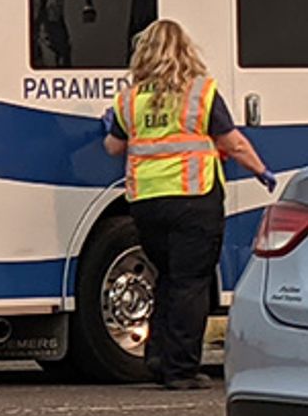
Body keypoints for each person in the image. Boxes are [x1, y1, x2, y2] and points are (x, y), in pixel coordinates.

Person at [102, 21, 275, 389]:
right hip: (194, 199)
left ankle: (158, 359)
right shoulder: (200, 93)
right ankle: (180, 370)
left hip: (147, 203)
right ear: (185, 51)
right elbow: (234, 143)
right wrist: (261, 171)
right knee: (190, 284)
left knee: (166, 279)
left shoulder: (130, 99)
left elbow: (114, 147)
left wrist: (113, 126)